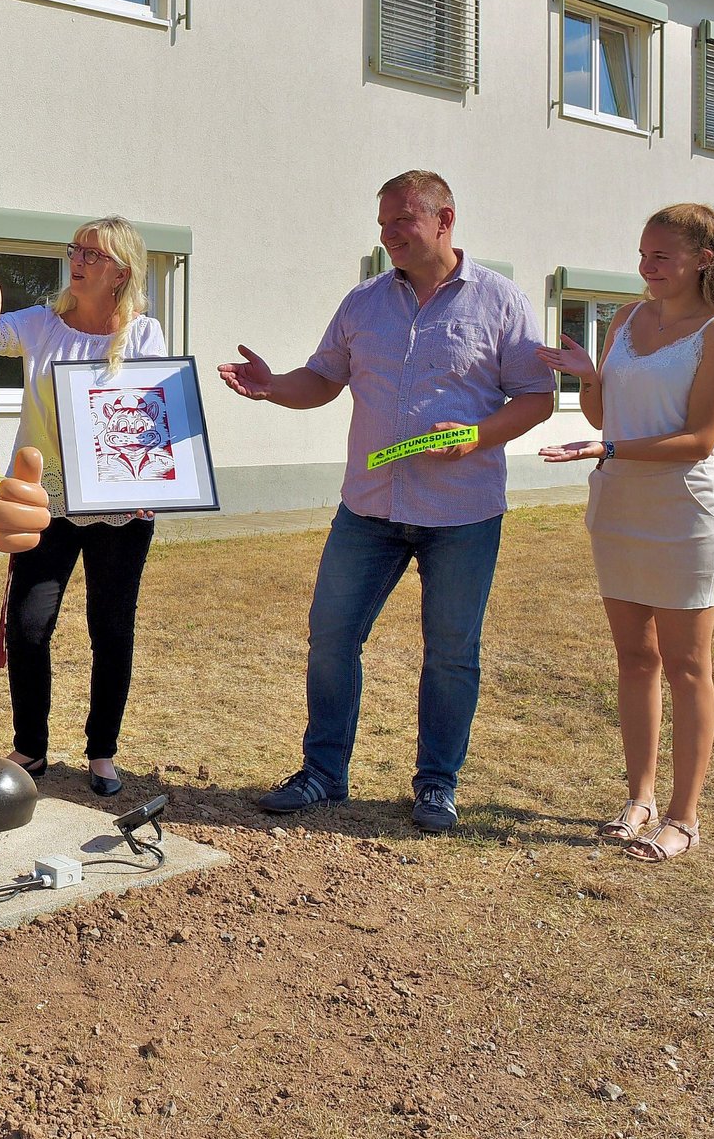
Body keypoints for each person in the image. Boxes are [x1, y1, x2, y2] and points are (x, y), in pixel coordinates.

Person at [219, 170, 555, 832]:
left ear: (444, 219)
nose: (388, 234)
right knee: (332, 637)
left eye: (402, 220)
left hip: (462, 513)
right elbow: (322, 379)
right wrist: (272, 386)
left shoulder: (502, 302)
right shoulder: (364, 302)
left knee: (452, 653)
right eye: (382, 224)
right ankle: (323, 773)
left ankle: (436, 784)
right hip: (369, 509)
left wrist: (478, 438)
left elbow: (537, 397)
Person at [537, 204, 714, 864]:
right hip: (618, 508)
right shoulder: (627, 319)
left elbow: (699, 440)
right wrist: (591, 378)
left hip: (683, 517)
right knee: (634, 660)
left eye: (661, 257)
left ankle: (684, 817)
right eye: (642, 255)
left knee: (687, 667)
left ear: (703, 259)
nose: (646, 267)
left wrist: (609, 447)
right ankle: (640, 798)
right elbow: (603, 411)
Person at [0, 217, 167, 798]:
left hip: (120, 509)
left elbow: (150, 416)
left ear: (121, 274)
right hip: (44, 502)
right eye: (75, 249)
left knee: (112, 631)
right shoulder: (38, 325)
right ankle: (30, 748)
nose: (78, 260)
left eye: (93, 254)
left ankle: (102, 752)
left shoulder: (145, 335)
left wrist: (153, 478)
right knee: (30, 627)